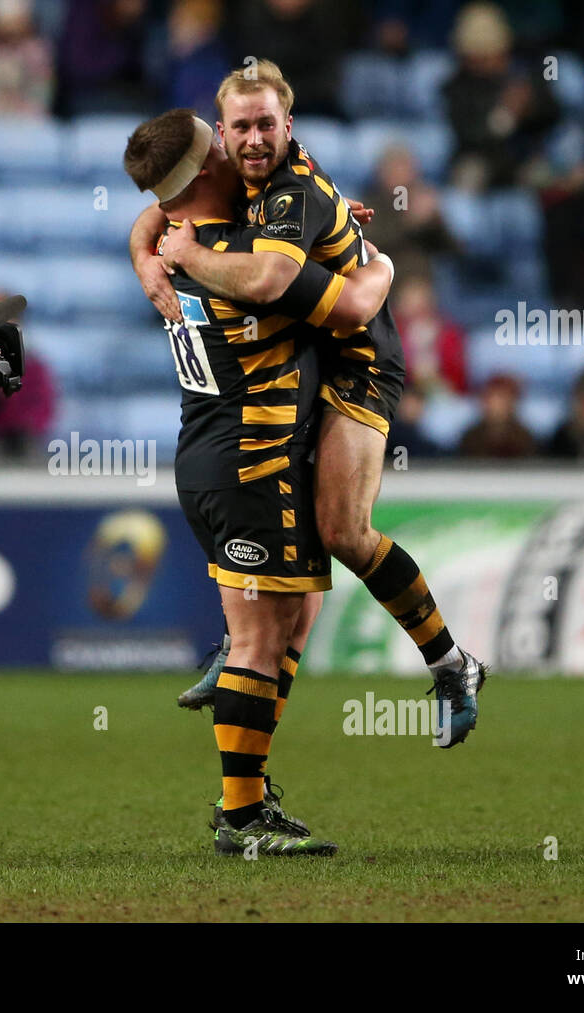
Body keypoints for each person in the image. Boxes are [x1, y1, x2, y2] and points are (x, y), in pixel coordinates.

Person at [130, 60, 487, 748]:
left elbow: (300, 286)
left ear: (288, 126)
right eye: (242, 126)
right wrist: (148, 251)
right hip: (304, 354)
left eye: (268, 123)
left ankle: (451, 665)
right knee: (297, 550)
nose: (256, 137)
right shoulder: (236, 181)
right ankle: (246, 656)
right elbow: (160, 204)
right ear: (221, 138)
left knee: (343, 531)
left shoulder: (290, 193)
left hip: (354, 360)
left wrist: (376, 266)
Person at [124, 108, 395, 856]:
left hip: (213, 458)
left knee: (286, 625)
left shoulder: (185, 246)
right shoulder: (239, 260)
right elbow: (353, 304)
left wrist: (147, 248)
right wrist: (373, 261)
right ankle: (240, 817)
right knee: (259, 639)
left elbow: (157, 216)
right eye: (221, 143)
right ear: (208, 168)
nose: (237, 149)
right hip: (250, 462)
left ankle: (248, 797)